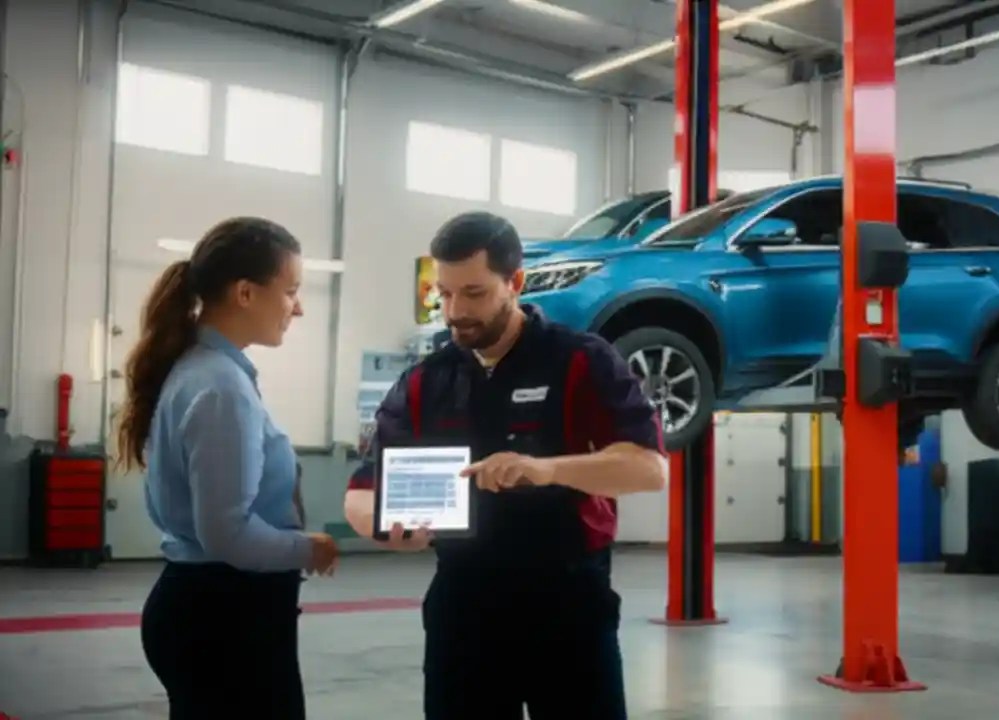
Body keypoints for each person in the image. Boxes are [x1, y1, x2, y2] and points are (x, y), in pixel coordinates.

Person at [343, 211, 667, 720]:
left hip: (568, 608)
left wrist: (547, 469)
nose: (455, 311)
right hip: (464, 610)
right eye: (444, 294)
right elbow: (364, 488)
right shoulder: (426, 381)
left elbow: (649, 468)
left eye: (473, 293)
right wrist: (387, 527)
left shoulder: (582, 361)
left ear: (515, 282)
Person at [117, 216, 340, 720]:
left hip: (213, 612)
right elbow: (226, 534)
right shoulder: (220, 387)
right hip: (227, 620)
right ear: (245, 293)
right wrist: (310, 548)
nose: (298, 308)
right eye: (290, 292)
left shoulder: (204, 371)